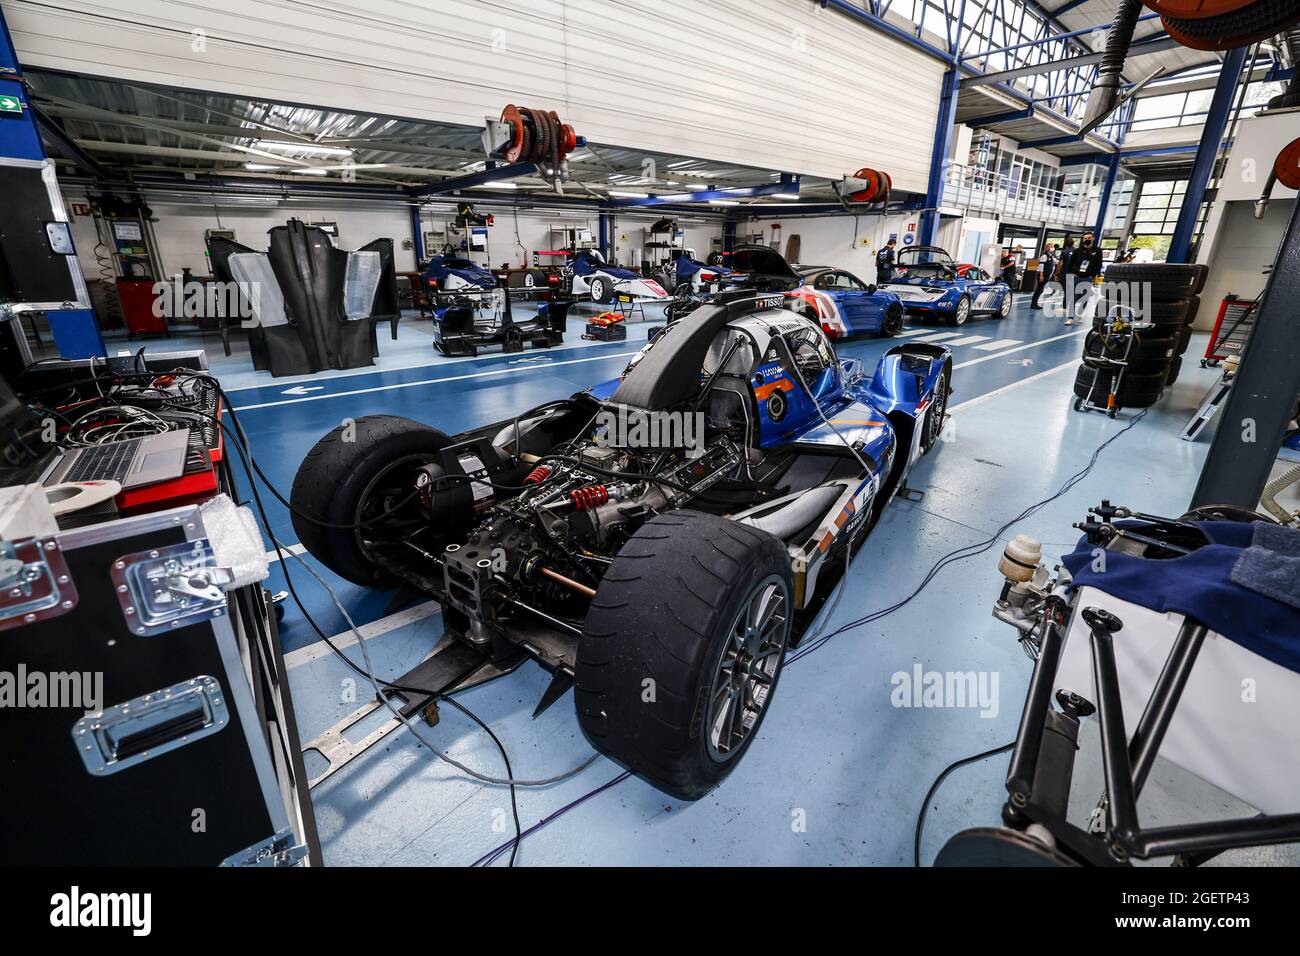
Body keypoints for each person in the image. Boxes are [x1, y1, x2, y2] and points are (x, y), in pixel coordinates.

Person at [1059, 232, 1104, 325]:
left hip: (1088, 278)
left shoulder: (1098, 251)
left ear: (1093, 238)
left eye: (1089, 238)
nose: (1087, 240)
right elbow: (1070, 264)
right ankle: (1070, 318)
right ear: (1083, 239)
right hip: (1077, 277)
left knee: (1085, 297)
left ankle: (1080, 312)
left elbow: (1099, 265)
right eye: (1085, 238)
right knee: (1073, 297)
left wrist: (1093, 275)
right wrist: (1073, 273)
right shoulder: (1077, 251)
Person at [1030, 243, 1057, 310]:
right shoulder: (1044, 256)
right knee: (1039, 290)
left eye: (1052, 246)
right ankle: (1033, 304)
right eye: (1051, 246)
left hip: (1047, 275)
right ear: (1047, 248)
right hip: (1043, 275)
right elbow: (1041, 266)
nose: (1052, 248)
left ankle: (1035, 303)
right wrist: (1041, 275)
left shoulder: (1051, 256)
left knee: (1040, 290)